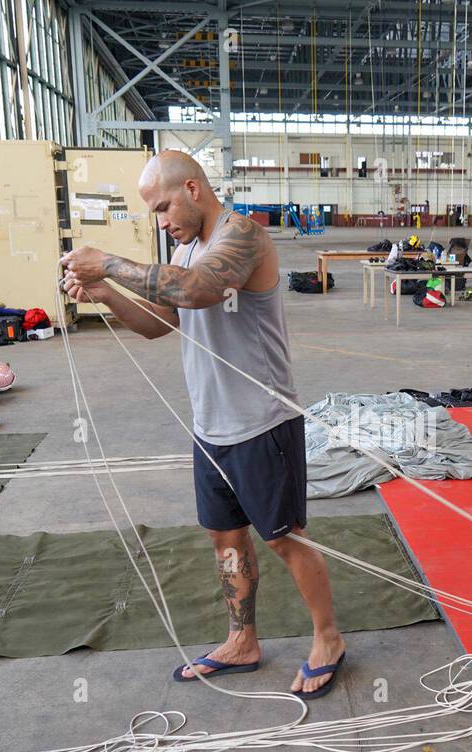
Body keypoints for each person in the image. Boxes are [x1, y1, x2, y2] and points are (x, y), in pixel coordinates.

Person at [59, 150, 346, 700]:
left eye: (163, 206)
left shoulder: (244, 236)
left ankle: (328, 638)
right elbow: (160, 323)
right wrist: (105, 294)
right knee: (225, 538)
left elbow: (199, 290)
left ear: (193, 188)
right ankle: (242, 641)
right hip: (211, 425)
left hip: (262, 423)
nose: (161, 220)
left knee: (285, 538)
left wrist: (110, 264)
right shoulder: (185, 247)